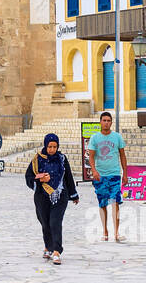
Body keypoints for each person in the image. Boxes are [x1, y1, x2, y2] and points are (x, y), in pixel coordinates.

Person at [25, 132, 79, 265]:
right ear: (45, 146)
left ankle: (56, 250)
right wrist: (39, 179)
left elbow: (68, 177)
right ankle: (48, 246)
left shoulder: (61, 159)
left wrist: (73, 195)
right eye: (50, 147)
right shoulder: (37, 160)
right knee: (45, 222)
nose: (52, 150)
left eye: (55, 147)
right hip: (41, 197)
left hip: (60, 195)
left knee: (55, 222)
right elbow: (28, 177)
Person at [85, 111, 128, 242]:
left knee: (115, 203)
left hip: (114, 174)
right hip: (100, 175)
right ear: (100, 122)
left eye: (108, 121)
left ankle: (116, 232)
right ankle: (105, 231)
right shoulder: (94, 138)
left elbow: (122, 155)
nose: (106, 123)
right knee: (102, 203)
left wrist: (125, 173)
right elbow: (91, 156)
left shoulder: (117, 137)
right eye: (104, 120)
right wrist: (94, 170)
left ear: (111, 122)